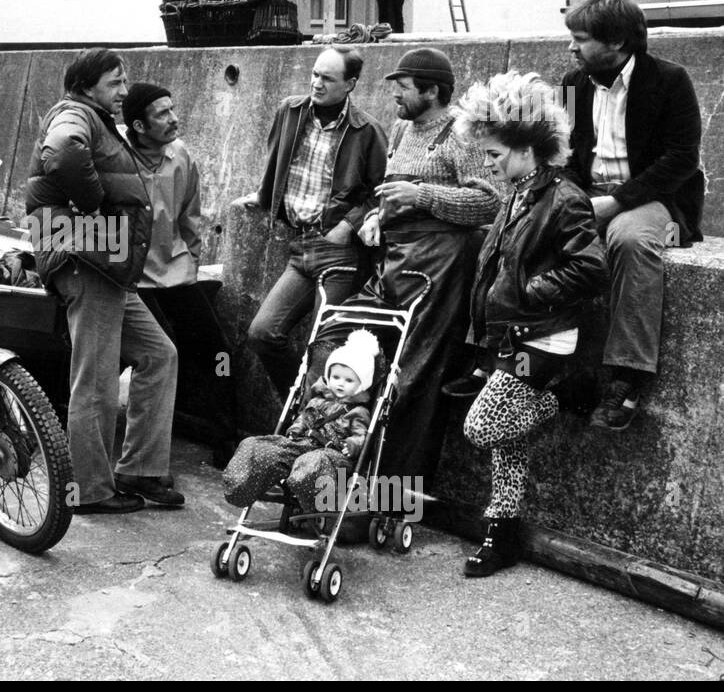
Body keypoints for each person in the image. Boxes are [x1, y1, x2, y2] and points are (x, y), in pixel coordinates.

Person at [455, 71, 607, 576]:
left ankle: (564, 398)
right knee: (507, 440)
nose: (488, 163)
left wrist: (531, 293)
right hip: (514, 336)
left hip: (543, 338)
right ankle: (503, 534)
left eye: (495, 154)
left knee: (483, 426)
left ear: (527, 148)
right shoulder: (519, 192)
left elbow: (590, 268)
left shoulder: (564, 198)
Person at [24, 49, 183, 514]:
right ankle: (90, 490)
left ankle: (141, 470)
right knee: (95, 381)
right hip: (85, 257)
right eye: (116, 83)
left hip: (102, 260)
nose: (124, 91)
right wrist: (92, 202)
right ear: (88, 84)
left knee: (158, 354)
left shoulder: (91, 115)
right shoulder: (75, 114)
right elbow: (62, 152)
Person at [343, 47, 501, 485]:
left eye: (404, 88)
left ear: (432, 91)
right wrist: (377, 216)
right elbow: (387, 191)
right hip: (393, 262)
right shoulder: (399, 130)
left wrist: (425, 196)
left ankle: (394, 496)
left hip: (440, 268)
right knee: (351, 356)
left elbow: (492, 203)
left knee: (413, 378)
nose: (394, 95)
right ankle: (342, 474)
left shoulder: (462, 136)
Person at [558, 0, 704, 431]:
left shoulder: (671, 80)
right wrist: (566, 199)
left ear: (618, 42)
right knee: (521, 229)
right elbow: (562, 152)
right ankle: (523, 362)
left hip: (651, 197)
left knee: (630, 240)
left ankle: (628, 376)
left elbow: (681, 158)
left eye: (580, 39)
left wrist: (617, 202)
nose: (571, 47)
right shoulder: (569, 84)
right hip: (587, 192)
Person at [235, 46, 387, 399]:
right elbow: (275, 158)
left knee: (325, 347)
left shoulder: (367, 130)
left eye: (327, 78)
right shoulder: (290, 110)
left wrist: (347, 225)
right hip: (299, 247)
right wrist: (264, 197)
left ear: (349, 84)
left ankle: (312, 431)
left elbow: (381, 192)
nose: (317, 84)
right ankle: (300, 406)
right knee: (262, 333)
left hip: (340, 254)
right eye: (315, 74)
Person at [123, 82, 237, 465]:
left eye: (173, 109)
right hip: (134, 279)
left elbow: (191, 215)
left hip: (176, 271)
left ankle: (226, 436)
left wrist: (188, 258)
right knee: (159, 352)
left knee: (218, 351)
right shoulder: (118, 159)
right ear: (138, 126)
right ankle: (147, 451)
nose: (173, 119)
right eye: (162, 114)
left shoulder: (181, 154)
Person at [223, 329, 379, 512]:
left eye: (348, 380)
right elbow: (304, 418)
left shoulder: (358, 412)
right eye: (335, 377)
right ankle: (242, 489)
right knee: (257, 447)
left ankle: (315, 506)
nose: (340, 383)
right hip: (303, 445)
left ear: (361, 384)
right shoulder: (316, 400)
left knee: (312, 462)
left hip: (333, 456)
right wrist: (295, 430)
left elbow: (363, 437)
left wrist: (353, 444)